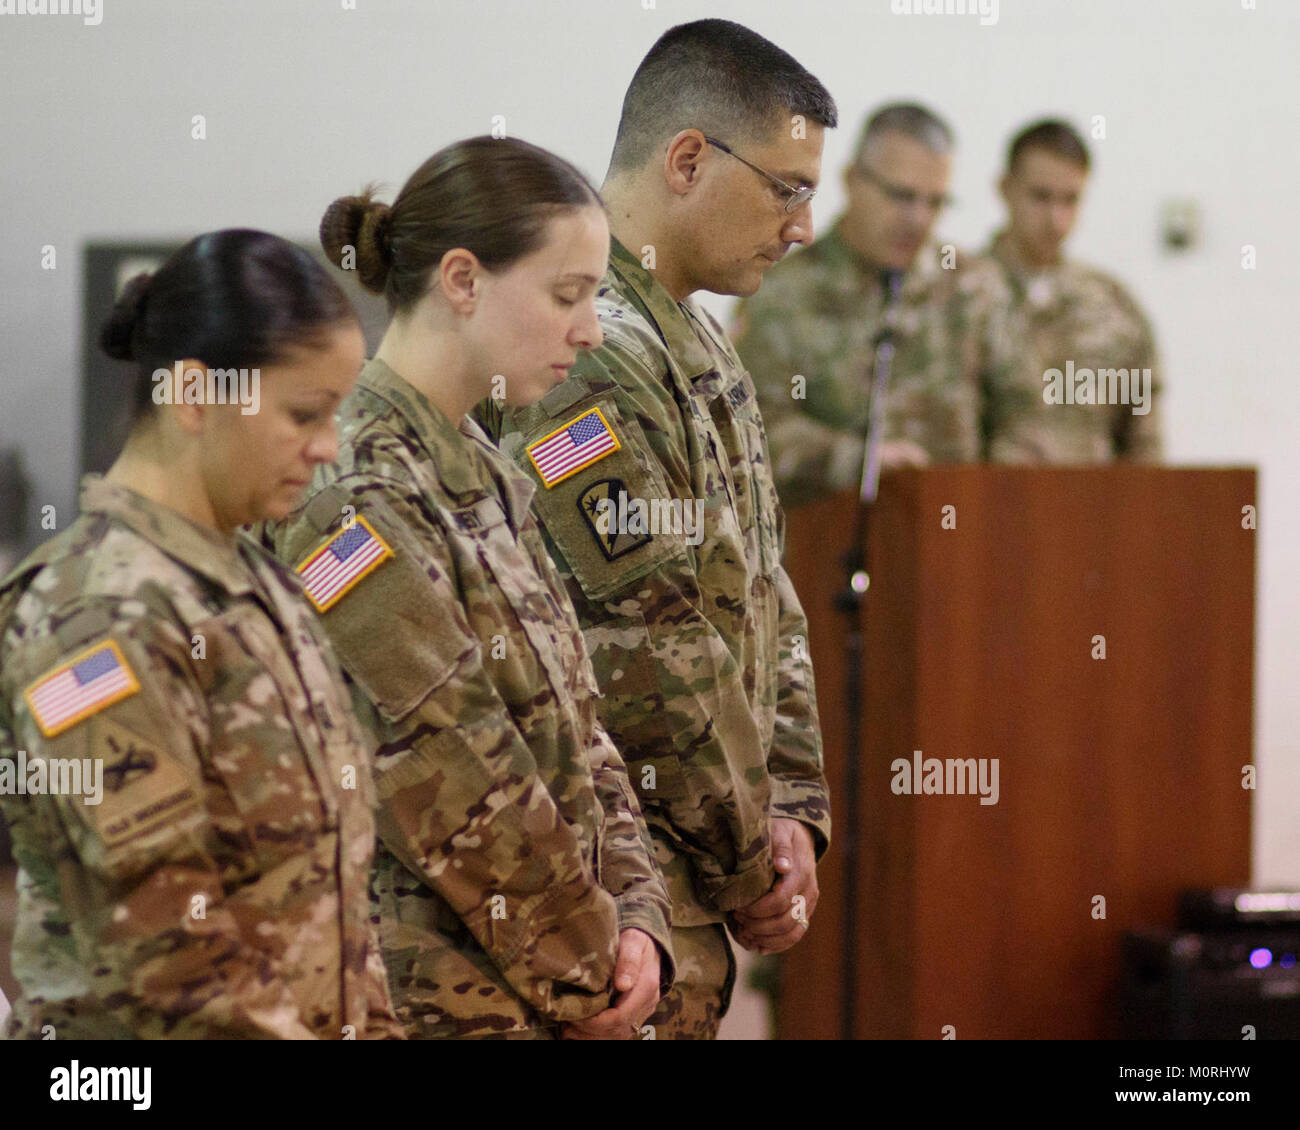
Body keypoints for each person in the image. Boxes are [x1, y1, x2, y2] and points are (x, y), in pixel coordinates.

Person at [266, 137, 673, 1041]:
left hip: (553, 984)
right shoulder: (350, 490)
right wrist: (590, 975)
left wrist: (642, 918)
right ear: (462, 280)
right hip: (435, 1002)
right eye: (566, 296)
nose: (591, 331)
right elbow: (445, 772)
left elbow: (582, 731)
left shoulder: (485, 465)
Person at [476, 19, 832, 1038]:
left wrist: (795, 809)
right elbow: (645, 640)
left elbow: (769, 595)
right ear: (687, 159)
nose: (804, 224)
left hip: (697, 877)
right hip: (618, 893)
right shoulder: (589, 351)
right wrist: (744, 849)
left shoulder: (700, 343)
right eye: (789, 188)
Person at [0, 230, 401, 1039]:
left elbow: (337, 903)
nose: (327, 447)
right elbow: (172, 964)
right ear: (194, 394)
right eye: (303, 414)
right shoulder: (95, 616)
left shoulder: (253, 582)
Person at [732, 102, 1019, 508]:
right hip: (824, 537)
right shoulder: (783, 293)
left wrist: (991, 493)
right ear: (852, 181)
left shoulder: (975, 288)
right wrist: (857, 461)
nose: (918, 219)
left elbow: (1022, 412)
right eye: (902, 196)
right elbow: (748, 428)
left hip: (958, 538)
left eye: (934, 202)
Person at [982, 119, 1163, 461]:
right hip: (984, 505)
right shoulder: (959, 296)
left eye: (1070, 200)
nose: (1056, 219)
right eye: (1040, 197)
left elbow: (1144, 444)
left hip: (1091, 507)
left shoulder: (1113, 307)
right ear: (1005, 188)